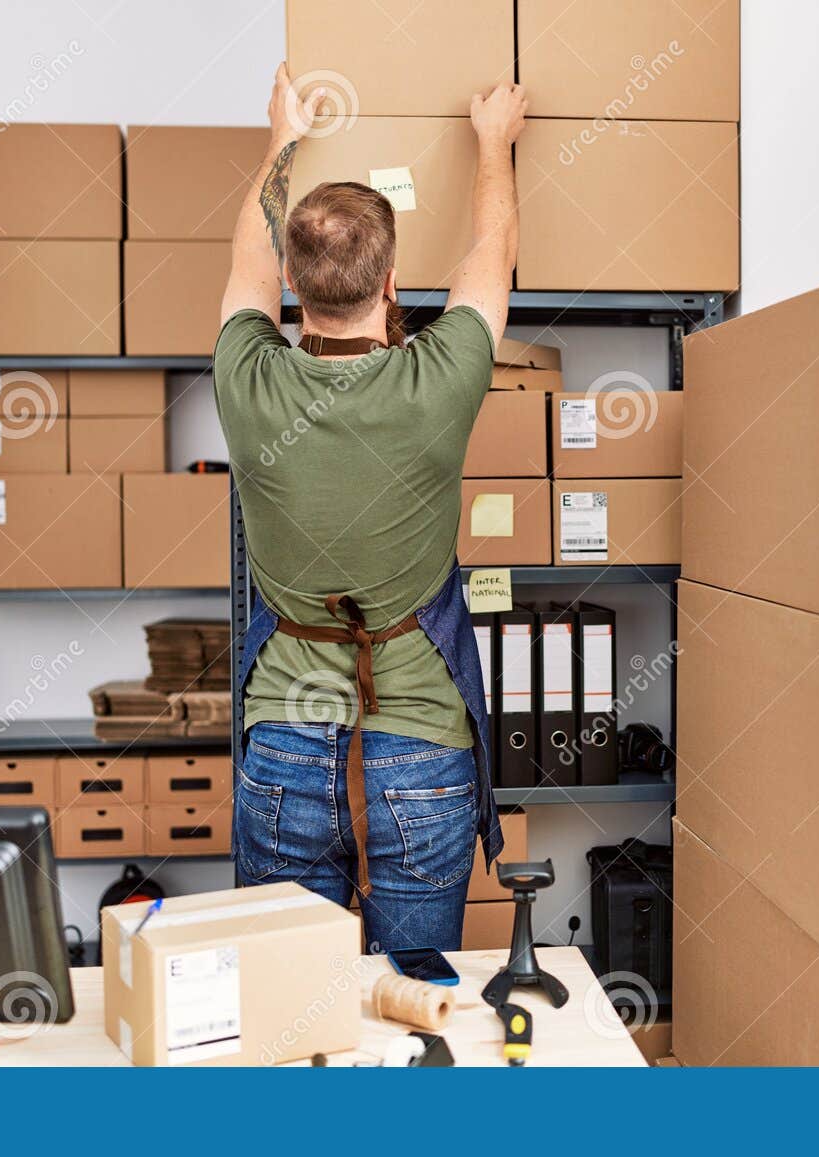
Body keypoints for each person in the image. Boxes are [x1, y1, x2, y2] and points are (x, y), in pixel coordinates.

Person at [213, 63, 527, 953]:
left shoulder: (247, 381)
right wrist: (493, 144)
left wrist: (282, 137)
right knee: (413, 1004)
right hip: (420, 750)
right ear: (391, 283)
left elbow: (246, 262)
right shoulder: (440, 380)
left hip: (284, 743)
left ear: (292, 283)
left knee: (290, 1009)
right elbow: (492, 254)